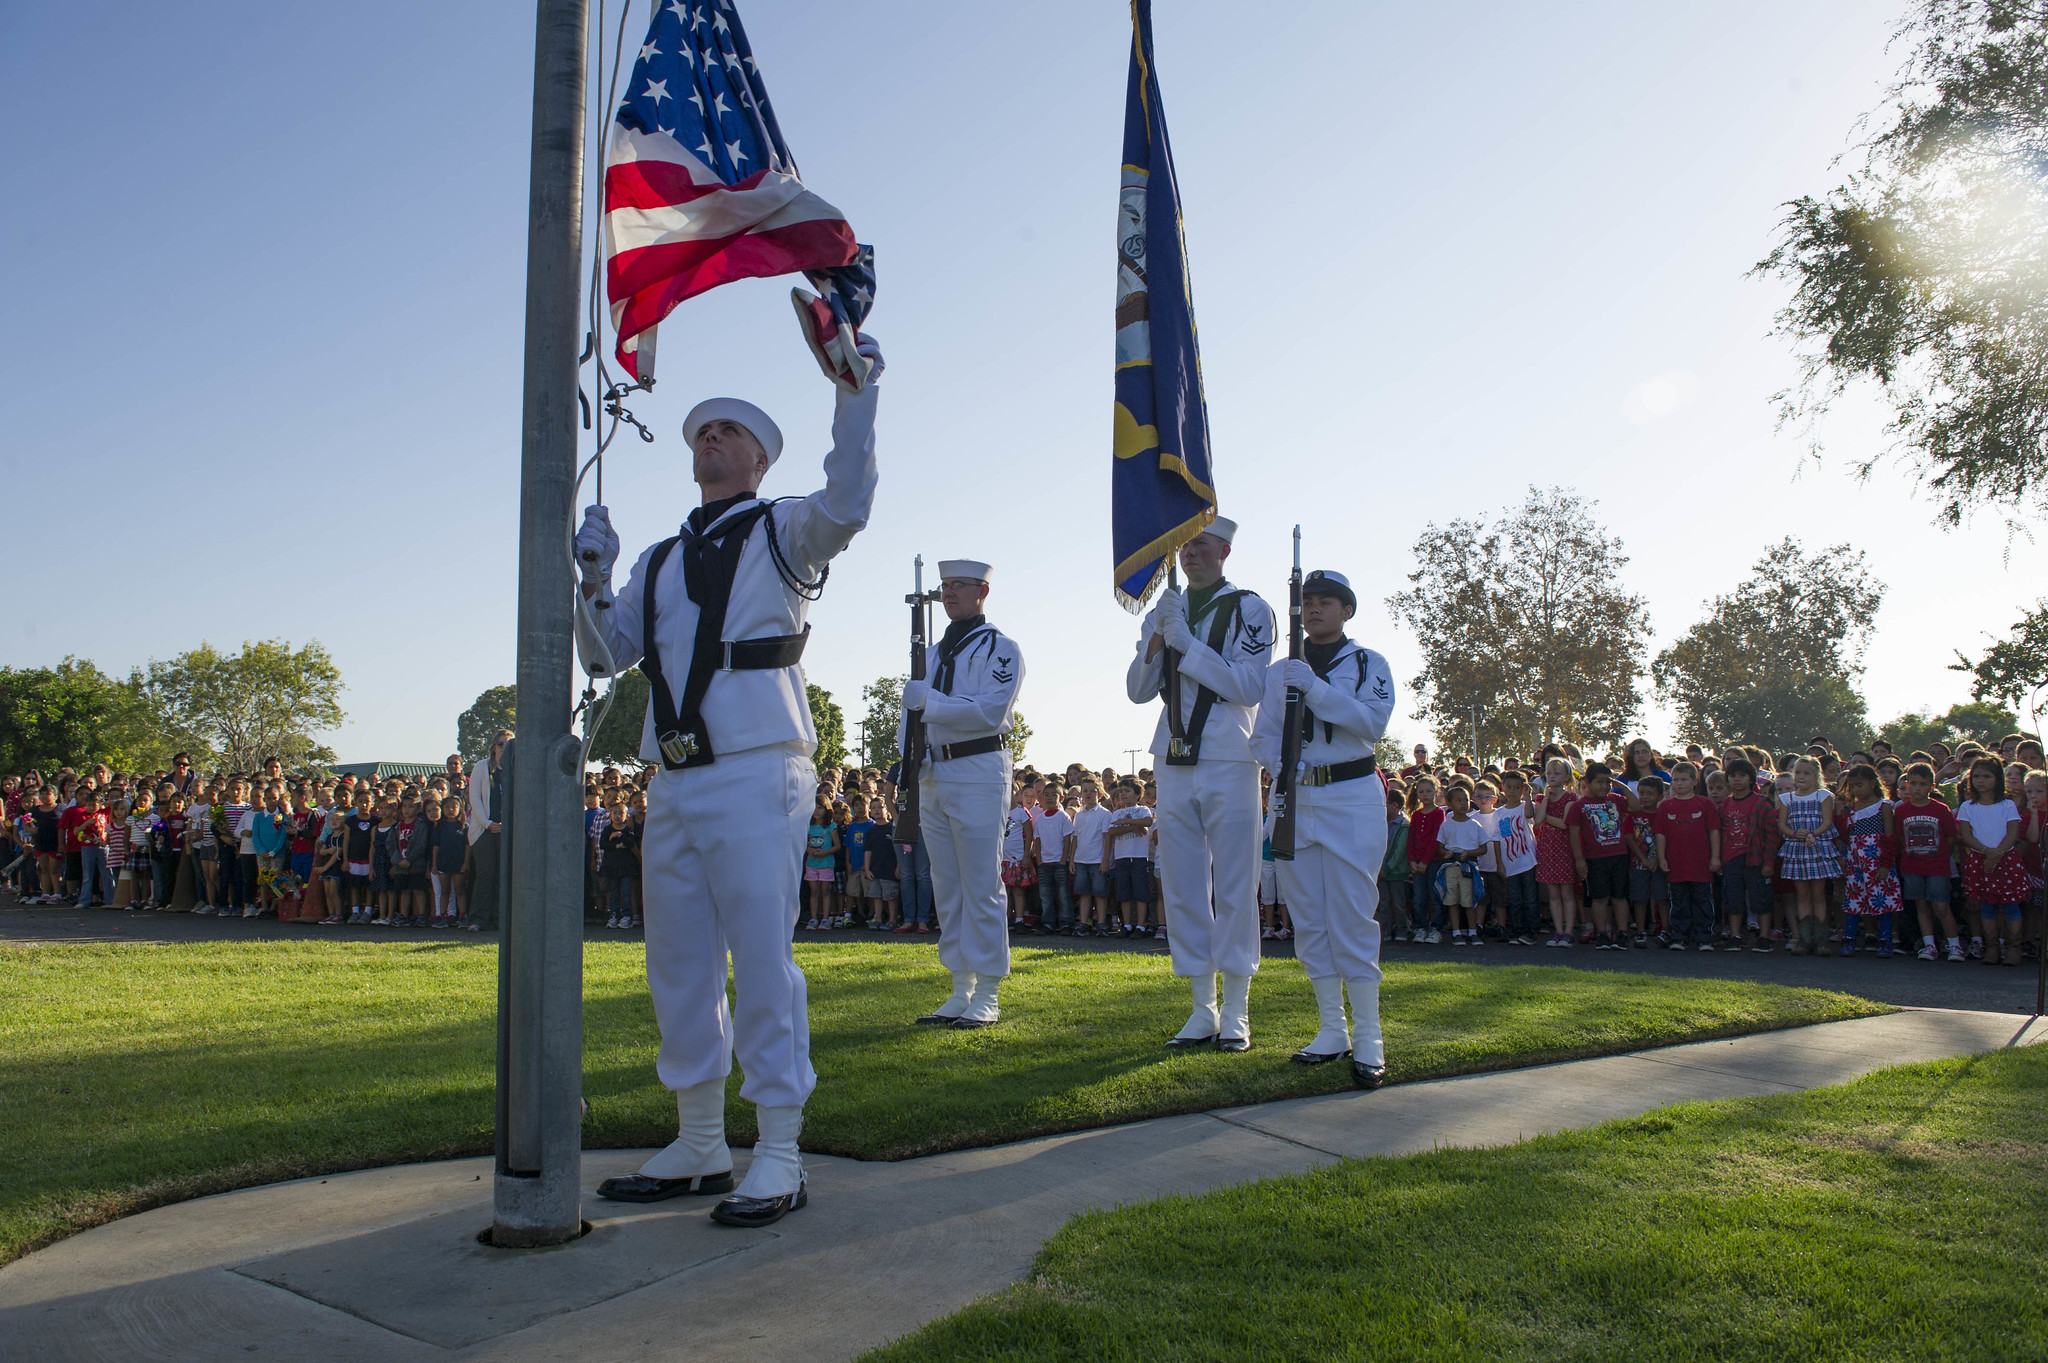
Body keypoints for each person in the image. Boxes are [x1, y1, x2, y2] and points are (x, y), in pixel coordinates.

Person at [573, 334, 882, 1228]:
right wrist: (589, 579)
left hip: (757, 768)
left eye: (726, 431)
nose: (709, 440)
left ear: (758, 456)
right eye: (700, 432)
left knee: (762, 957)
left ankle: (779, 1148)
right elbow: (606, 655)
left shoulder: (783, 531)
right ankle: (701, 1138)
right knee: (678, 963)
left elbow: (849, 503)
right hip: (672, 776)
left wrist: (855, 396)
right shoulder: (659, 560)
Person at [1127, 519, 1276, 1050]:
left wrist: (1188, 644)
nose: (1189, 553)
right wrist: (1157, 641)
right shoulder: (1166, 606)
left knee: (1236, 883)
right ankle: (1201, 1006)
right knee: (1184, 883)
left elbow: (1249, 685)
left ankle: (1236, 1008)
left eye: (1201, 544)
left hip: (1229, 753)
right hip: (1171, 753)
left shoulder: (1249, 609)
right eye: (1184, 544)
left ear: (1225, 550)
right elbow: (1137, 692)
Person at [1250, 569, 1395, 1084]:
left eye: (1327, 602)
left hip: (1351, 796)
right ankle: (1332, 1029)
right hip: (1296, 798)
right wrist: (1283, 765)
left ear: (1347, 610)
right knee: (1309, 920)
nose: (1315, 610)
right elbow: (1262, 736)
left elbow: (1372, 724)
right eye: (1308, 602)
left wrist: (1314, 688)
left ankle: (1370, 1037)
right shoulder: (1279, 669)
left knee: (1354, 918)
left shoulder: (1368, 662)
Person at [900, 559, 1025, 1027]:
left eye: (959, 585)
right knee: (947, 886)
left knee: (980, 885)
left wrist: (929, 703)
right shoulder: (930, 654)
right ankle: (960, 987)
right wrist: (908, 764)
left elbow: (990, 712)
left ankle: (988, 991)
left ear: (983, 592)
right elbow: (909, 720)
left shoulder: (1001, 649)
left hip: (977, 767)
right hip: (932, 772)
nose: (949, 593)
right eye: (945, 586)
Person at [1954, 755, 2027, 966]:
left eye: (1986, 776)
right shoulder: (1969, 806)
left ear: (1997, 778)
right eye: (1976, 776)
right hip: (1980, 859)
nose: (1980, 780)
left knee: (2011, 906)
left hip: (2006, 859)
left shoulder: (2007, 805)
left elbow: (2012, 833)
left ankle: (2014, 947)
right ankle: (1992, 947)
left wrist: (1996, 855)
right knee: (1987, 907)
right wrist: (1987, 852)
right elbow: (1966, 836)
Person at [1837, 764, 1904, 956]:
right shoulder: (1850, 809)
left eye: (1859, 785)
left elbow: (1890, 838)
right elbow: (1845, 836)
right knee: (1853, 900)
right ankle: (1849, 939)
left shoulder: (1883, 806)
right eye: (1852, 786)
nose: (1855, 790)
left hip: (1877, 861)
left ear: (1873, 784)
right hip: (1855, 862)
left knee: (1883, 901)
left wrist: (1885, 864)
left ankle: (1885, 940)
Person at [1776, 756, 1840, 956]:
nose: (1801, 777)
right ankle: (1804, 939)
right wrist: (1795, 834)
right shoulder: (1787, 798)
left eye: (1807, 773)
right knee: (1801, 894)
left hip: (1818, 847)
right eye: (1798, 773)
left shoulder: (1823, 795)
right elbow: (1782, 824)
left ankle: (1821, 940)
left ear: (1816, 775)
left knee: (1818, 894)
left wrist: (1814, 834)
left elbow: (1827, 821)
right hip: (1797, 848)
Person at [1656, 762, 1723, 950]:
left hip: (1700, 864)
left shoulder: (1705, 803)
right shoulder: (1665, 806)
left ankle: (1704, 937)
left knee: (1702, 900)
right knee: (1678, 901)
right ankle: (1679, 936)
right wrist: (1661, 857)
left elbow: (1714, 831)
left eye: (1684, 779)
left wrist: (1715, 857)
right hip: (1676, 863)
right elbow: (1660, 834)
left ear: (1694, 781)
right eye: (1675, 780)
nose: (1679, 783)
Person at [1566, 762, 1631, 950]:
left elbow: (1634, 806)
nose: (1604, 786)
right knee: (1599, 897)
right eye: (1600, 782)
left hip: (1619, 855)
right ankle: (1602, 933)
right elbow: (1573, 833)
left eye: (1607, 782)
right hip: (1595, 858)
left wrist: (1622, 787)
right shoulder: (1580, 805)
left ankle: (1623, 934)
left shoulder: (1616, 799)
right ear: (1588, 782)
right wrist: (1579, 859)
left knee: (1620, 896)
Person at [465, 730, 511, 931]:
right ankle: (478, 918)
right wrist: (486, 822)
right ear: (494, 746)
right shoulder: (482, 767)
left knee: (504, 875)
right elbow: (474, 797)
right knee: (485, 873)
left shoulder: (516, 767)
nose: (504, 748)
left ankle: (501, 918)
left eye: (508, 744)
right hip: (483, 829)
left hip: (508, 829)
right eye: (501, 744)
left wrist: (507, 825)